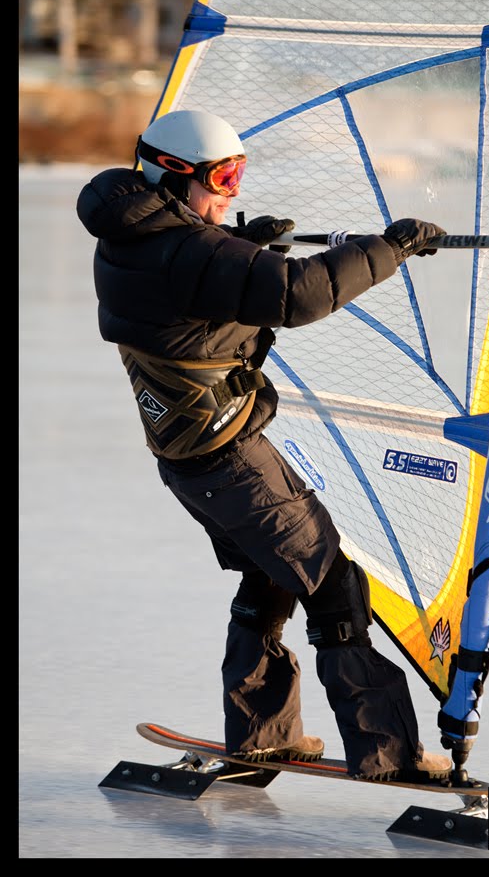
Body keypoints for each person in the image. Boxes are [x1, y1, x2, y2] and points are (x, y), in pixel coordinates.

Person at [76, 108, 452, 783]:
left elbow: (195, 287)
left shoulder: (128, 238)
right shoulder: (189, 251)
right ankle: (388, 756)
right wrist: (388, 248)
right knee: (333, 585)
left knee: (273, 575)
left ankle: (259, 734)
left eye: (239, 175)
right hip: (231, 461)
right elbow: (300, 295)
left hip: (193, 461)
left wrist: (245, 244)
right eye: (223, 177)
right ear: (173, 175)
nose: (232, 192)